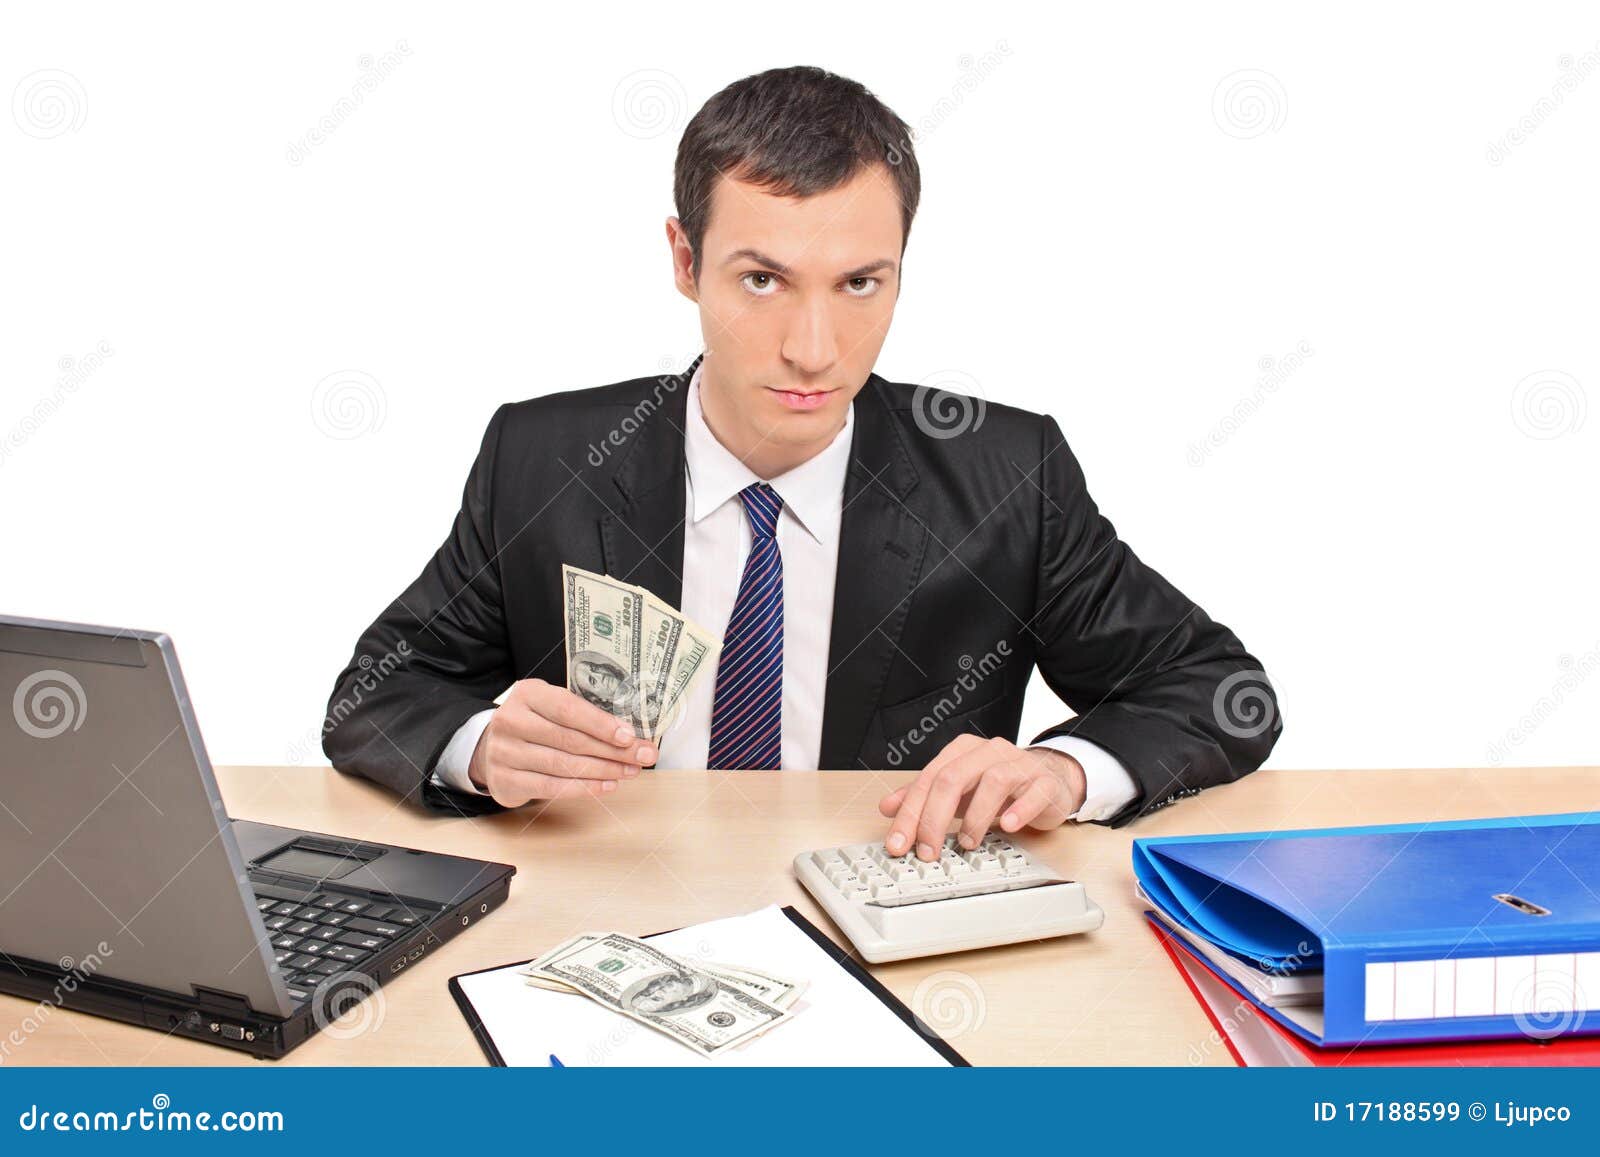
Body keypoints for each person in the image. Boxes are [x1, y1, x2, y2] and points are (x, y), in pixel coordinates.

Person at [323, 65, 1282, 856]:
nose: (814, 350)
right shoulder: (542, 460)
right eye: (762, 280)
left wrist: (1064, 770)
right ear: (685, 262)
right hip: (608, 915)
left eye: (859, 283)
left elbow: (1220, 691)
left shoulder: (1008, 480)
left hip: (887, 935)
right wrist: (481, 748)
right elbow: (376, 692)